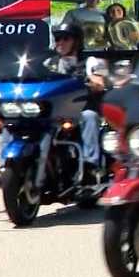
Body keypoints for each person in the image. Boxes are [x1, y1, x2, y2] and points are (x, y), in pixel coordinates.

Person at [50, 24, 107, 177]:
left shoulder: (90, 62)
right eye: (57, 39)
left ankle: (91, 165)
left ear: (76, 41)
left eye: (65, 38)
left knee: (90, 116)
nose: (60, 42)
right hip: (54, 112)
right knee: (16, 122)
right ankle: (9, 165)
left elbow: (100, 82)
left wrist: (92, 81)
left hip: (80, 110)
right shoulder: (49, 63)